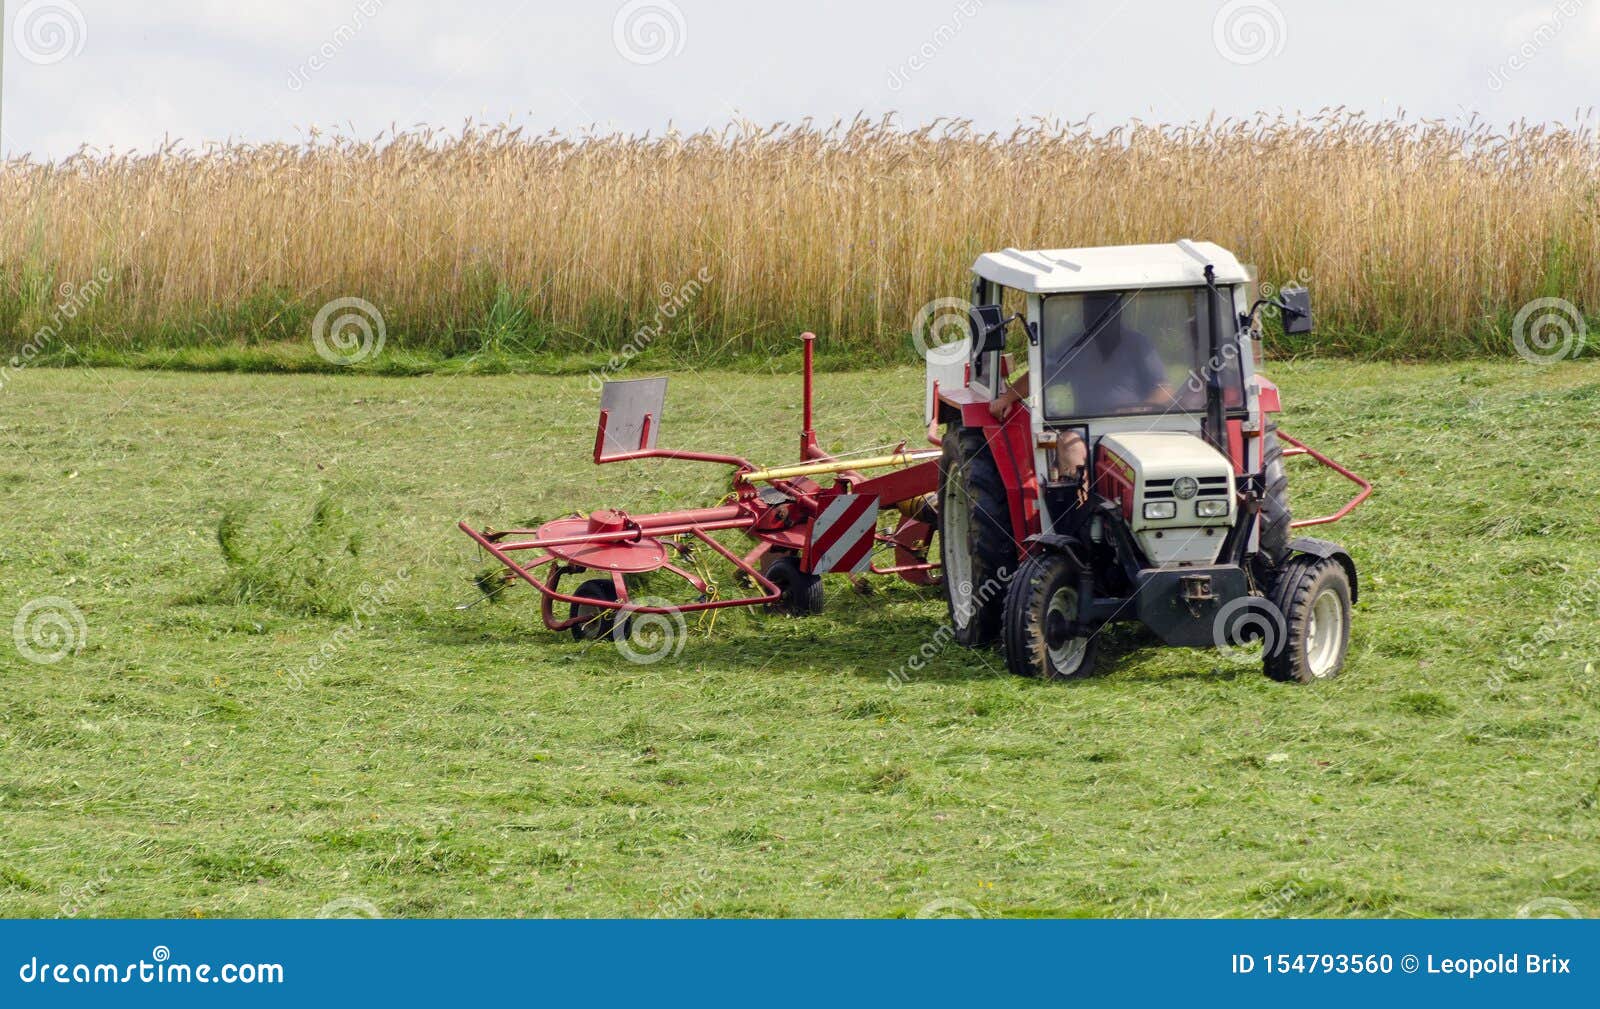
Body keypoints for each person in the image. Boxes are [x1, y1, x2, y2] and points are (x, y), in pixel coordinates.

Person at [988, 292, 1175, 496]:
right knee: (1069, 443)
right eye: (1090, 312)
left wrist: (1141, 409)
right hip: (1087, 427)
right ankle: (1080, 515)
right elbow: (1041, 375)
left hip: (1135, 426)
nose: (1095, 318)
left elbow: (1164, 388)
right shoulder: (1073, 346)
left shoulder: (1138, 344)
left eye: (1103, 312)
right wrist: (1007, 398)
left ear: (1118, 312)